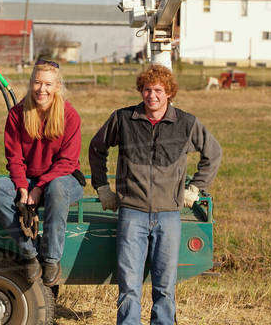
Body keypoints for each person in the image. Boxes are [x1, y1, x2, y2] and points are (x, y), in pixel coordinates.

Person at [89, 65, 222, 325]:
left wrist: (195, 188)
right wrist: (103, 187)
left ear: (169, 93)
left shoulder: (186, 123)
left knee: (165, 284)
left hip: (169, 215)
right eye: (147, 90)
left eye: (159, 90)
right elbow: (97, 148)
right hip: (132, 213)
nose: (152, 96)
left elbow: (213, 153)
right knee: (129, 285)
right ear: (141, 91)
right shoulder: (123, 119)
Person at [0, 60, 84, 286]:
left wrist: (39, 188)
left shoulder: (70, 116)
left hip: (64, 178)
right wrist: (22, 187)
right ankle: (29, 254)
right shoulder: (17, 114)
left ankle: (51, 258)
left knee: (57, 188)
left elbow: (67, 162)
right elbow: (15, 157)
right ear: (31, 84)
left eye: (48, 84)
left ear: (57, 86)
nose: (42, 89)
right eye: (37, 83)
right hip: (29, 179)